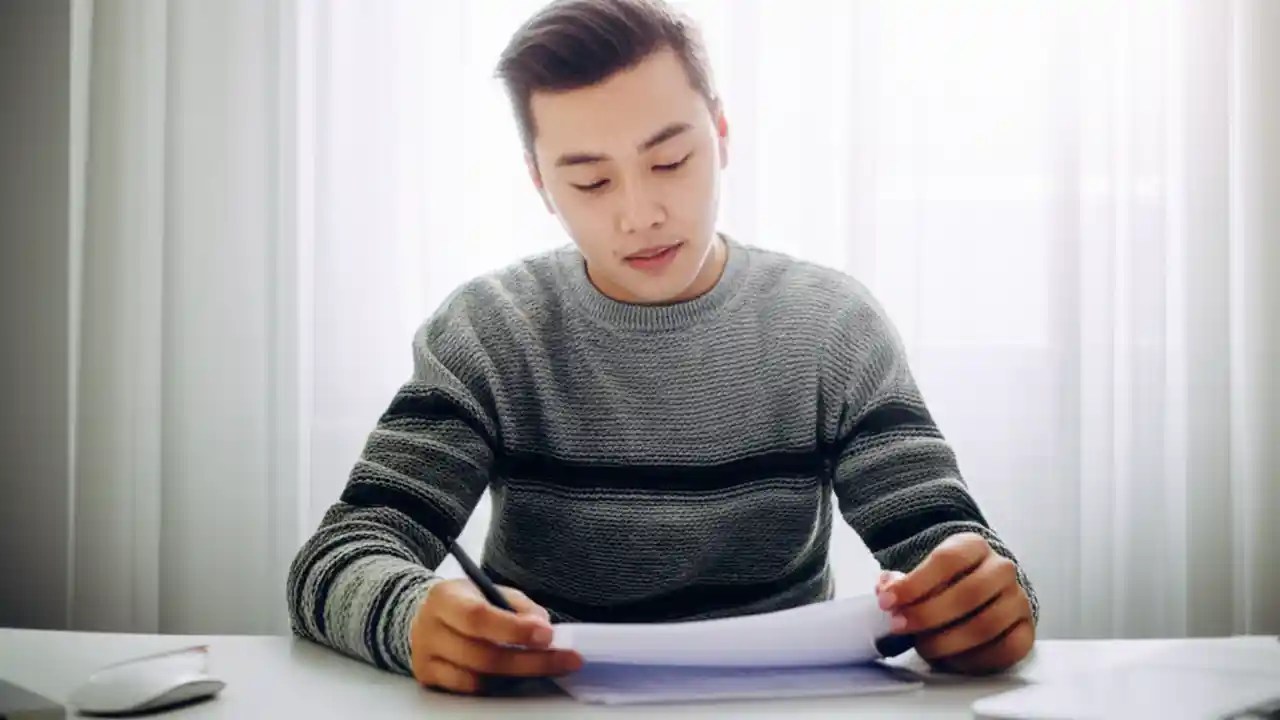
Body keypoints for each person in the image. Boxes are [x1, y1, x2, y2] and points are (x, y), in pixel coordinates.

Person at [286, 0, 1038, 696]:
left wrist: (985, 603)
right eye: (589, 182)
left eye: (671, 162)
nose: (639, 214)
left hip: (781, 708)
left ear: (722, 136)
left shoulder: (829, 328)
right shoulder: (491, 332)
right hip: (539, 707)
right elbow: (337, 557)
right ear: (542, 185)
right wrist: (413, 617)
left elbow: (953, 548)